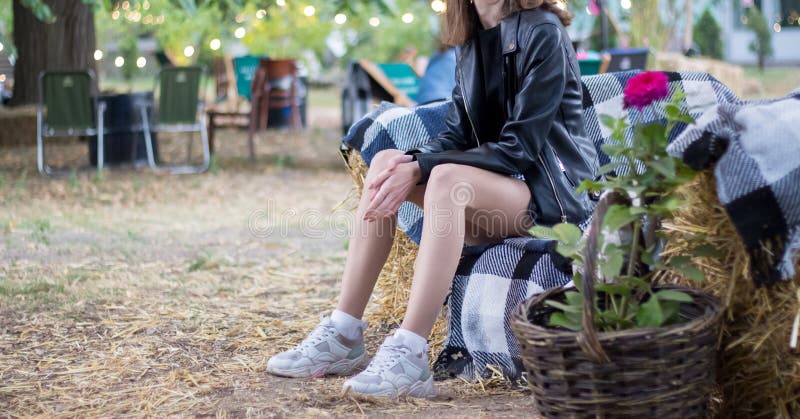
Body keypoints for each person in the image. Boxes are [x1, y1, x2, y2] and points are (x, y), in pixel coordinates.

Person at [267, 0, 598, 398]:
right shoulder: (472, 38)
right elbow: (456, 136)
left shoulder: (542, 31)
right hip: (498, 193)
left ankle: (409, 354)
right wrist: (409, 163)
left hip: (553, 199)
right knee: (386, 162)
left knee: (444, 179)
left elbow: (519, 148)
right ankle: (344, 333)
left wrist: (424, 168)